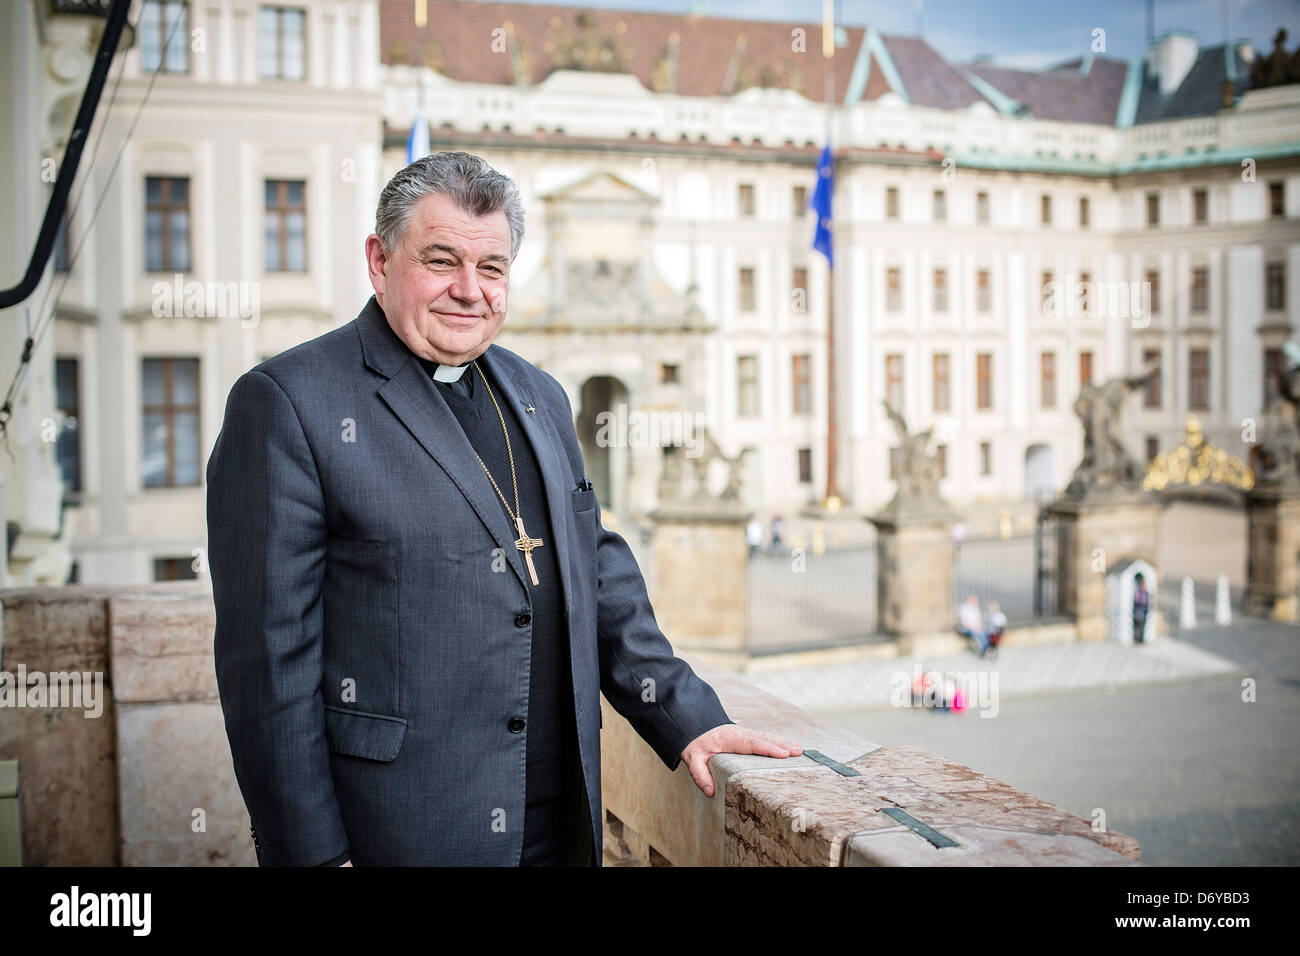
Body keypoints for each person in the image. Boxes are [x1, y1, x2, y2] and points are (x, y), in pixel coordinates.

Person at [207, 151, 801, 867]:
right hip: (401, 832)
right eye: (441, 260)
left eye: (491, 268)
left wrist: (686, 718)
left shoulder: (538, 393)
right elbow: (267, 668)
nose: (470, 290)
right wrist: (312, 856)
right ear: (380, 260)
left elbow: (597, 571)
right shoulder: (289, 401)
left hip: (557, 825)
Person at [1132, 573, 1150, 644]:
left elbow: (1147, 601)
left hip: (1143, 610)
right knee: (1137, 624)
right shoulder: (1139, 592)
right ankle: (1137, 638)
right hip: (1139, 609)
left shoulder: (1145, 593)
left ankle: (1140, 638)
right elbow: (1137, 601)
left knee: (1142, 625)